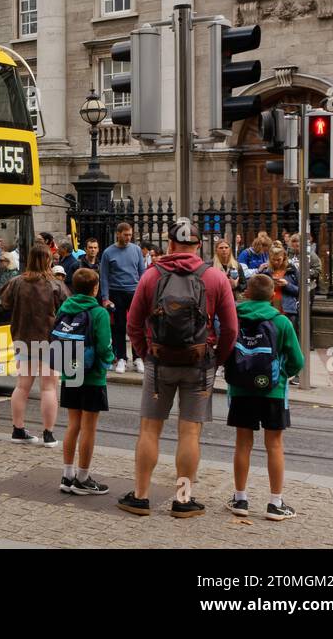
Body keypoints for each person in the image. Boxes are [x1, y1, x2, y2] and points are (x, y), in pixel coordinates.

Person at [119, 219, 238, 518]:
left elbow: (132, 323)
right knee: (189, 433)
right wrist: (218, 359)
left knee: (149, 430)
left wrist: (146, 353)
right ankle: (183, 500)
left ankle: (140, 496)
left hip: (159, 364)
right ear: (199, 246)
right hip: (199, 364)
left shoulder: (151, 275)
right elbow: (231, 330)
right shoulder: (215, 277)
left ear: (170, 245)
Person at [224, 273, 304, 522]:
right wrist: (281, 375)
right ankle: (275, 503)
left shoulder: (235, 316)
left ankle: (240, 498)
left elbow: (225, 349)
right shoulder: (281, 322)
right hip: (274, 391)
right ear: (272, 296)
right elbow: (297, 362)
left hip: (240, 390)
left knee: (242, 444)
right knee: (275, 446)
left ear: (246, 293)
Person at [2, 244, 69, 447]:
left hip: (23, 339)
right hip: (51, 341)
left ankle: (18, 429)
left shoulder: (16, 282)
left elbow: (5, 303)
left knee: (22, 386)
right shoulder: (56, 285)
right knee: (49, 388)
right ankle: (48, 434)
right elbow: (67, 308)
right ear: (48, 260)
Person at [57, 267, 114, 496]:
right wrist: (107, 363)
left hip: (70, 371)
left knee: (73, 424)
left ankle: (67, 474)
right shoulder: (99, 312)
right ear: (95, 288)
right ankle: (82, 477)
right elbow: (104, 347)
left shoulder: (65, 307)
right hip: (92, 375)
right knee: (89, 427)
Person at [98, 222, 147, 374]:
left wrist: (143, 293)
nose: (128, 238)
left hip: (134, 291)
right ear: (118, 234)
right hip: (116, 292)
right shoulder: (108, 252)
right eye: (125, 235)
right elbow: (104, 277)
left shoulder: (136, 249)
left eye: (130, 235)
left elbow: (142, 272)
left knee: (137, 326)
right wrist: (105, 298)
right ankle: (121, 358)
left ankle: (138, 357)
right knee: (118, 326)